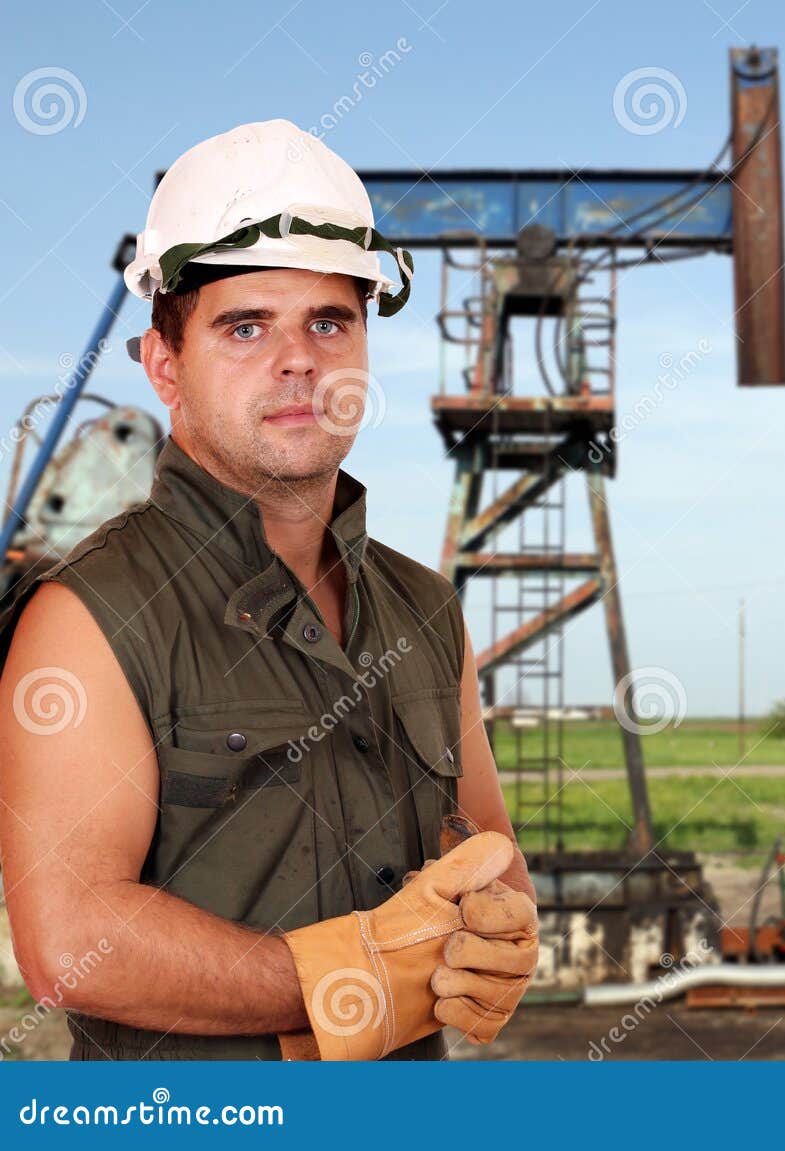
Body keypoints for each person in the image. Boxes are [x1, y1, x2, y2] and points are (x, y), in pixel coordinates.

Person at [0, 120, 536, 1061]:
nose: (299, 360)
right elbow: (71, 940)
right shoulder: (89, 618)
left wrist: (502, 924)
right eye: (246, 326)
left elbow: (484, 845)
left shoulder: (426, 611)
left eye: (329, 321)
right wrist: (350, 976)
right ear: (165, 364)